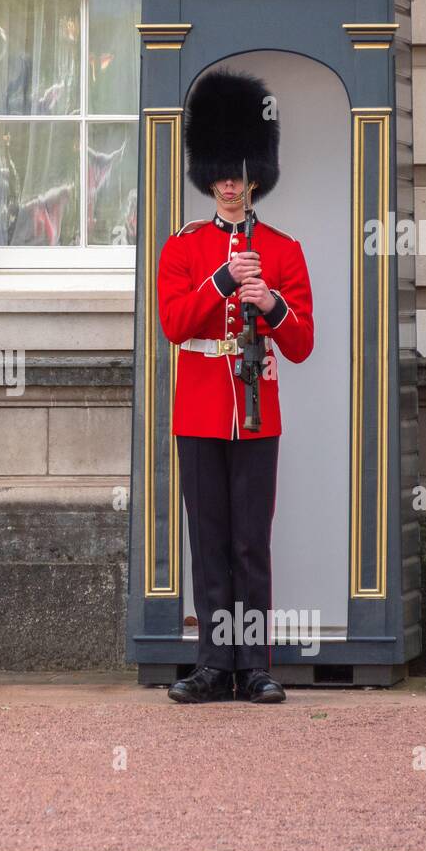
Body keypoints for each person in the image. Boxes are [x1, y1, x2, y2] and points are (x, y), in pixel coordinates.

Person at [156, 69, 315, 705]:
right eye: (220, 175)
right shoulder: (185, 248)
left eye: (238, 174)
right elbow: (174, 324)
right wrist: (222, 282)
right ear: (210, 179)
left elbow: (302, 343)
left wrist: (270, 302)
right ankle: (213, 665)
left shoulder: (282, 248)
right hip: (198, 409)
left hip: (255, 416)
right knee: (209, 543)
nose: (229, 185)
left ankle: (254, 665)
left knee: (251, 545)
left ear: (254, 178)